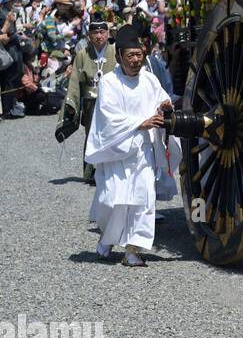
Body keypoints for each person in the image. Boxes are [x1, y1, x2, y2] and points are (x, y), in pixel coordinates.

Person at [83, 25, 174, 267]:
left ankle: (133, 250)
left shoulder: (149, 79)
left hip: (142, 152)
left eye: (139, 55)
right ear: (120, 56)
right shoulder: (110, 82)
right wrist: (140, 122)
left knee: (143, 200)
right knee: (113, 200)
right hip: (117, 152)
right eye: (130, 56)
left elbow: (160, 99)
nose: (135, 60)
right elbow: (108, 117)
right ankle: (108, 238)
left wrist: (164, 106)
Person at [58, 15, 116, 182]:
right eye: (95, 33)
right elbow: (75, 80)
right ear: (89, 35)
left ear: (108, 33)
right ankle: (91, 172)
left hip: (111, 100)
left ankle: (110, 169)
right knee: (92, 134)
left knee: (111, 133)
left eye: (102, 32)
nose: (99, 36)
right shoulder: (83, 54)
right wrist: (71, 103)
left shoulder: (115, 50)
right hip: (91, 101)